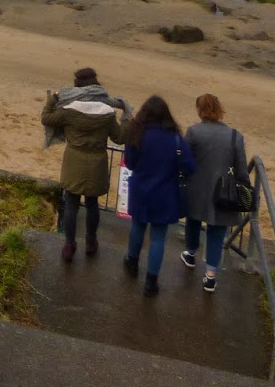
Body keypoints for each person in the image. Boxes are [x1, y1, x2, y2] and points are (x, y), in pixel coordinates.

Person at [42, 67, 128, 262]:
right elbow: (120, 137)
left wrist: (54, 98)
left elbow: (46, 118)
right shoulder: (107, 112)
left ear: (77, 88)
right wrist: (127, 120)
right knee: (92, 204)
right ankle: (91, 242)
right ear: (96, 87)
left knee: (71, 204)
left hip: (74, 161)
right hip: (97, 162)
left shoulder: (68, 111)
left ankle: (69, 245)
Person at [123, 95, 196, 296]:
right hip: (165, 193)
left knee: (137, 227)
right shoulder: (175, 139)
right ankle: (151, 282)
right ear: (166, 115)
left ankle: (132, 262)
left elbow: (129, 163)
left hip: (141, 190)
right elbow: (190, 166)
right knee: (158, 238)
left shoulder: (136, 133)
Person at [182, 94, 252, 293]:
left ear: (200, 110)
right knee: (217, 230)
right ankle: (210, 275)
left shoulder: (193, 132)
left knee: (193, 220)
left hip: (196, 187)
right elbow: (241, 170)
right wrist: (245, 192)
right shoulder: (234, 136)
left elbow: (185, 162)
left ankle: (190, 253)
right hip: (223, 190)